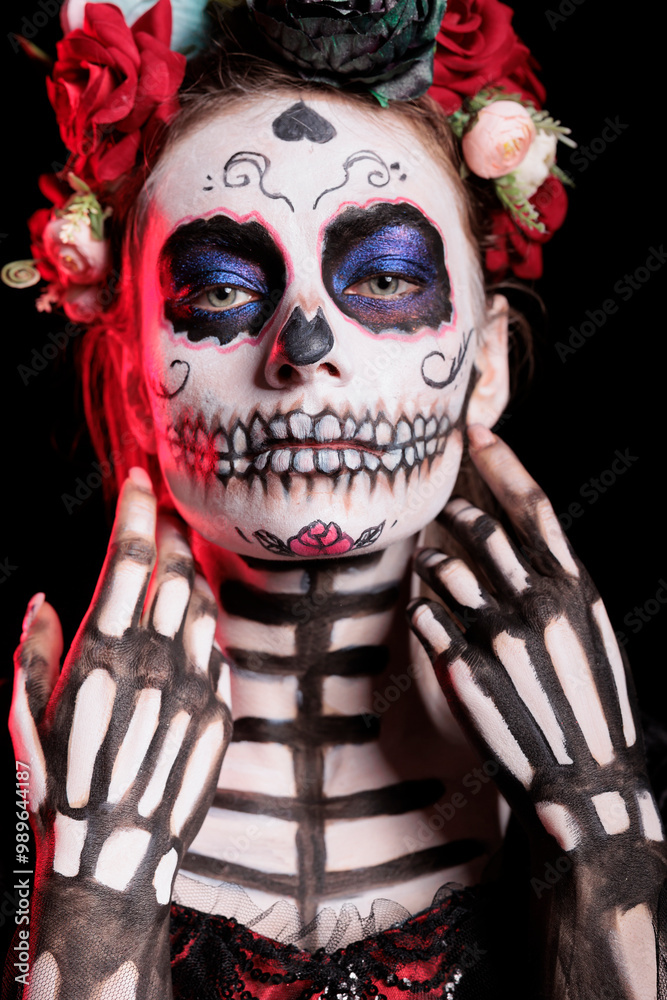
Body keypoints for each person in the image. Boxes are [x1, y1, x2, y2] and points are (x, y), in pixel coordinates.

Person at [3, 0, 665, 997]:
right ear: (132, 376)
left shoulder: (621, 755)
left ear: (484, 363)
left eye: (387, 278)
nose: (304, 346)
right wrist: (94, 883)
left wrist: (605, 831)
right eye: (221, 288)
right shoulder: (26, 785)